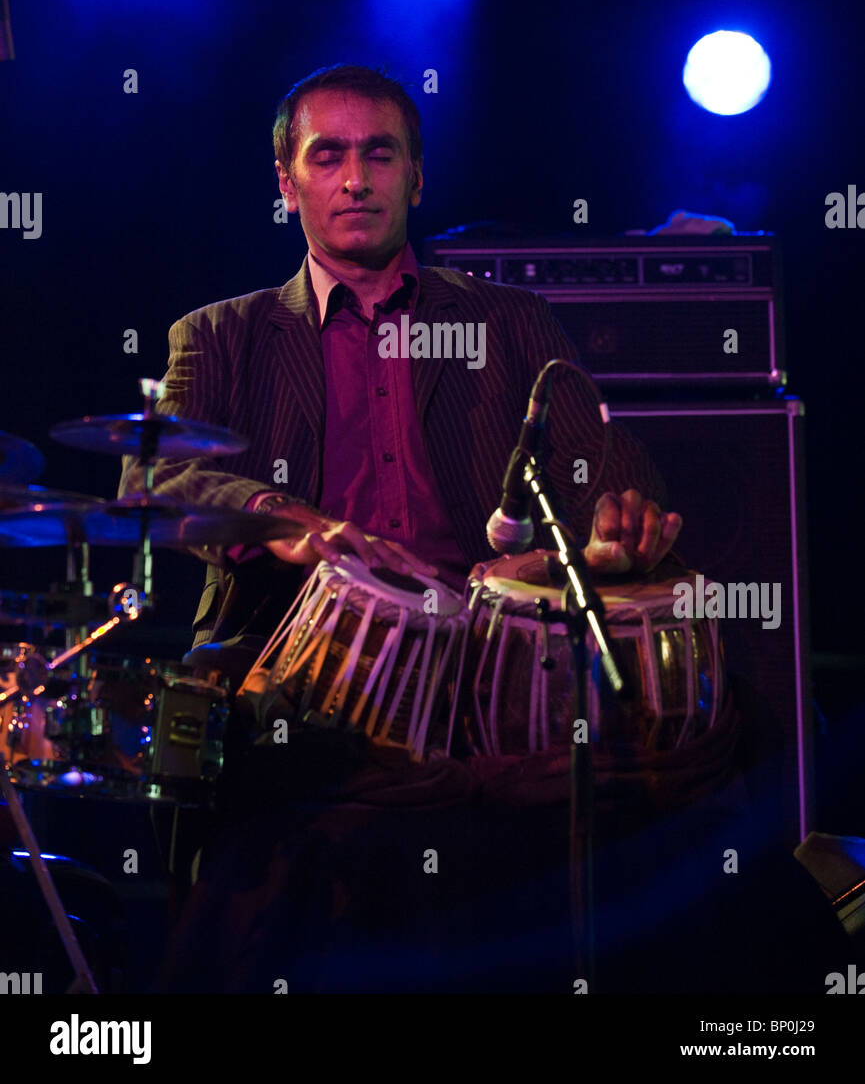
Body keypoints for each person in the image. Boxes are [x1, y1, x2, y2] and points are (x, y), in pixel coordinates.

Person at [118, 63, 682, 668]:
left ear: (415, 178)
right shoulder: (220, 334)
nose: (355, 181)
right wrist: (279, 518)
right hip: (286, 647)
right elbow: (151, 480)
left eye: (380, 155)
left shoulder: (512, 319)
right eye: (328, 157)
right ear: (287, 185)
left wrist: (610, 530)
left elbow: (610, 481)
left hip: (491, 648)